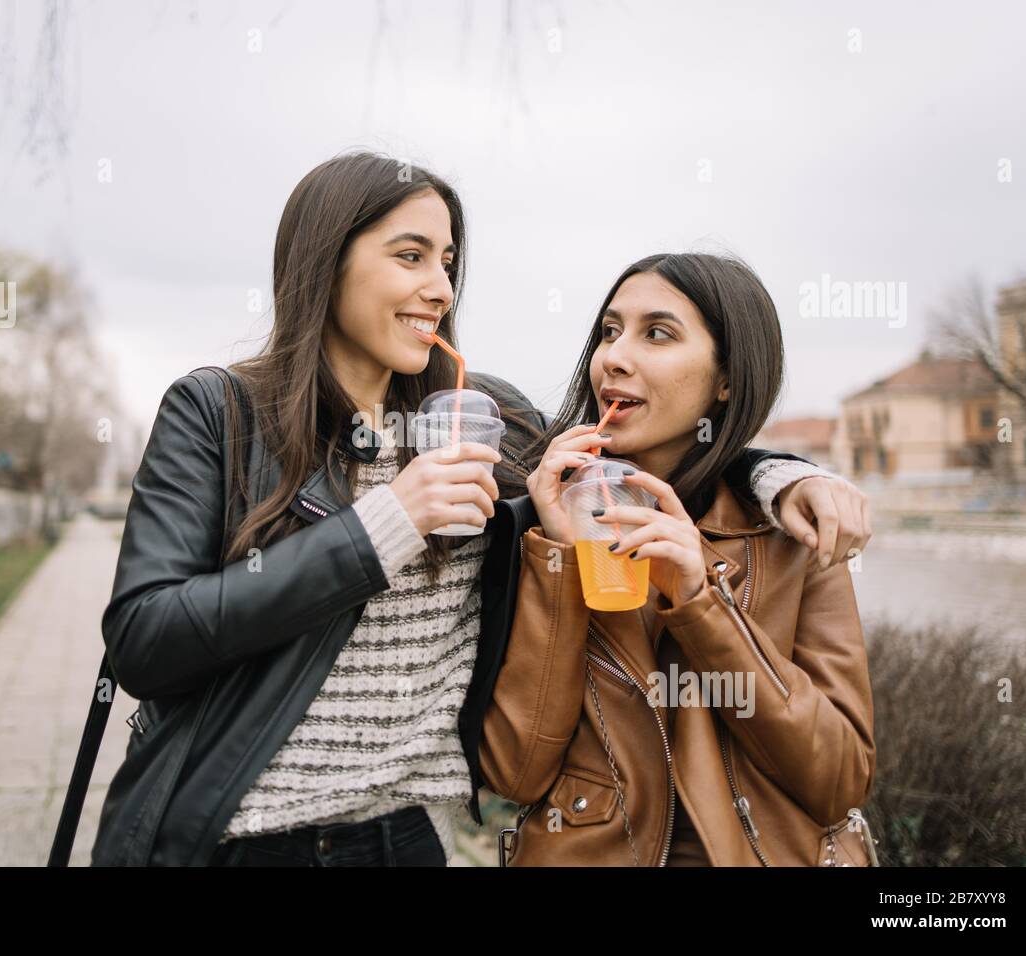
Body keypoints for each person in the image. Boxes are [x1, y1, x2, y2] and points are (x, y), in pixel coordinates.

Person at [90, 154, 868, 866]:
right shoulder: (221, 414)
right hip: (236, 841)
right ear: (326, 264)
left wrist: (785, 477)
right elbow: (143, 641)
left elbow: (645, 453)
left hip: (406, 841)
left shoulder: (486, 420)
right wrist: (385, 524)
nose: (441, 287)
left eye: (449, 262)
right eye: (411, 256)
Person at [480, 252, 878, 866]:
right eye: (610, 332)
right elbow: (516, 773)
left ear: (727, 380)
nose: (614, 357)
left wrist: (702, 604)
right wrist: (560, 558)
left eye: (657, 334)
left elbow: (839, 781)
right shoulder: (542, 523)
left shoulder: (794, 533)